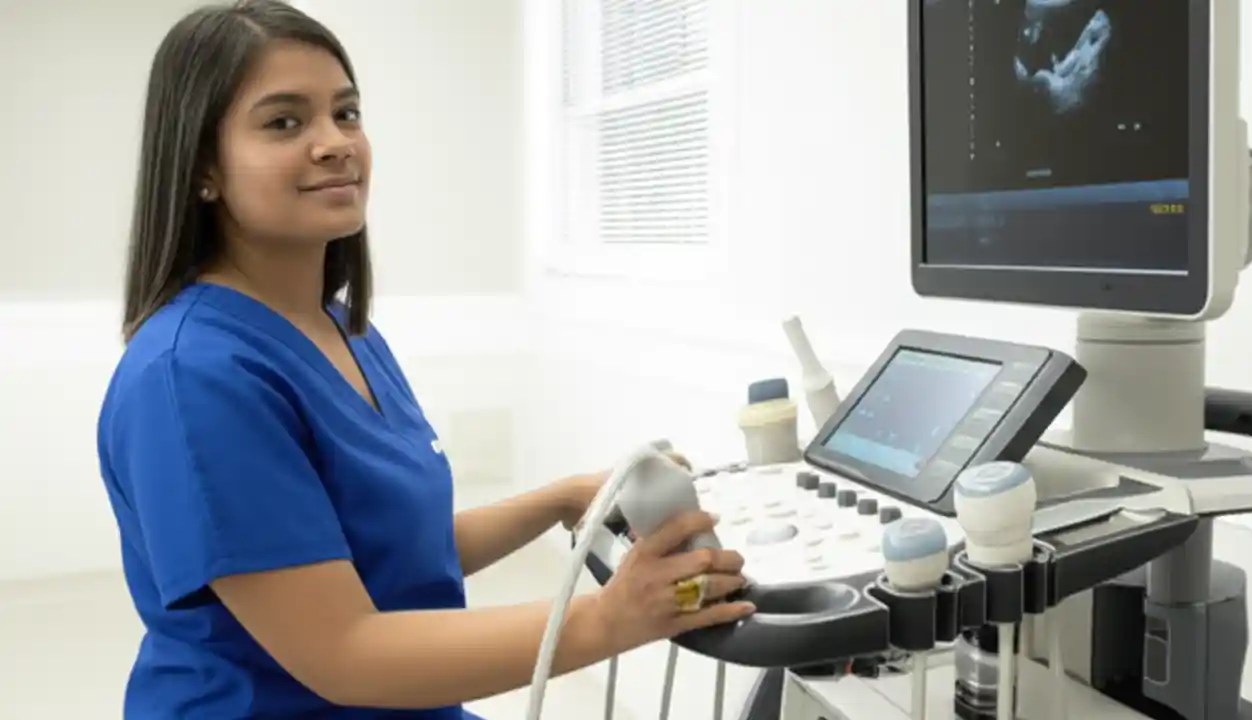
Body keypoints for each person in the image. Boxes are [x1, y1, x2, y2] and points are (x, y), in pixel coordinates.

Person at [94, 1, 756, 717]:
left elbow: (390, 550)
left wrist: (564, 498)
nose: (334, 143)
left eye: (346, 114)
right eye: (285, 121)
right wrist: (611, 617)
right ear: (202, 170)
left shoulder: (343, 330)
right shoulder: (194, 378)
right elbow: (343, 651)